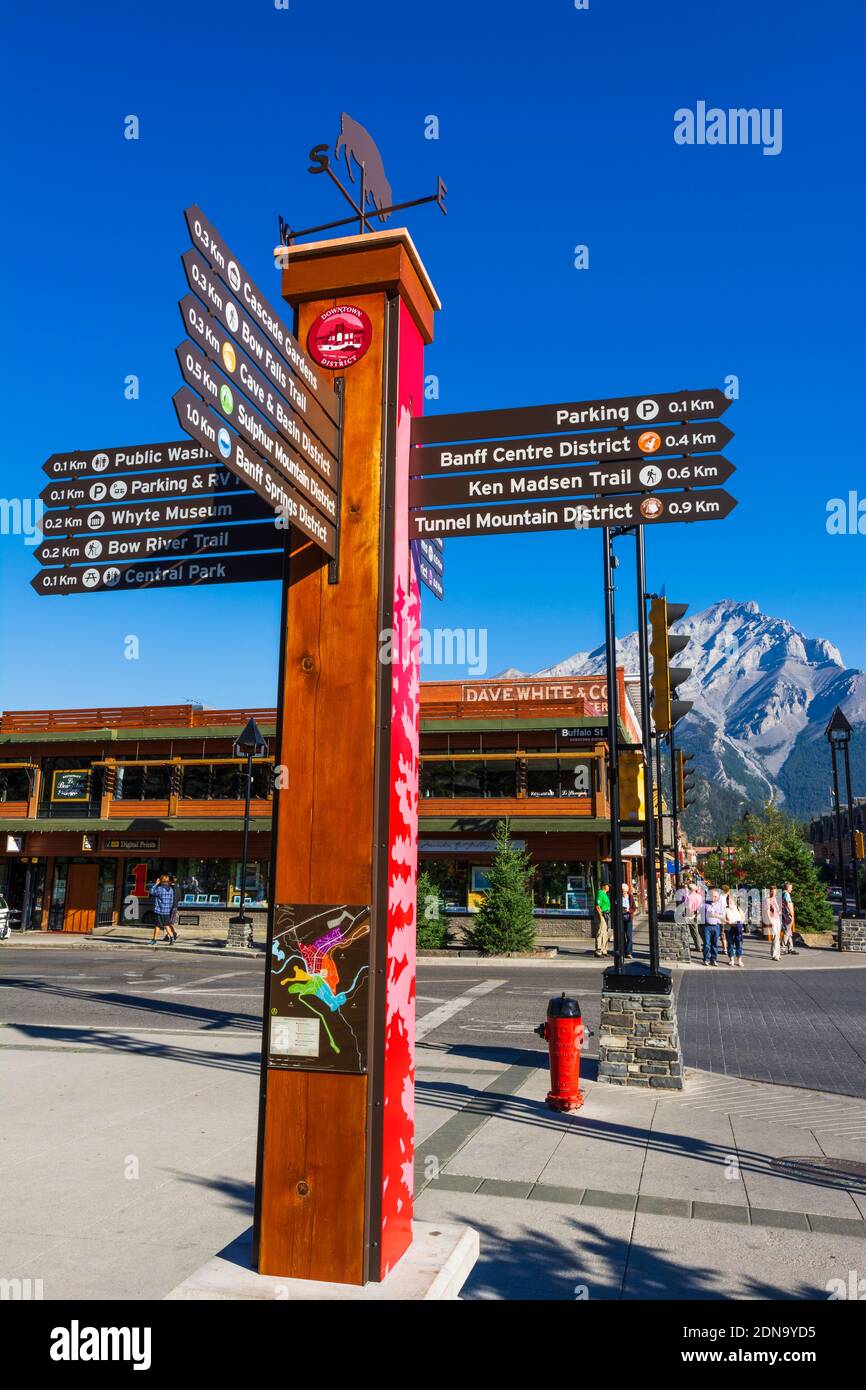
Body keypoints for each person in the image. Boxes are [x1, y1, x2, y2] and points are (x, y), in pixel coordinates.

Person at [150, 873, 177, 945]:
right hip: (167, 911)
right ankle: (171, 938)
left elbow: (151, 892)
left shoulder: (159, 889)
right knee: (166, 925)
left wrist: (156, 884)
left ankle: (154, 941)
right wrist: (168, 908)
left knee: (157, 925)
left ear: (161, 881)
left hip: (159, 911)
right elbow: (171, 901)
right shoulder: (171, 890)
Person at [703, 888, 724, 966]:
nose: (714, 898)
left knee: (714, 944)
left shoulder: (720, 905)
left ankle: (714, 959)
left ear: (717, 897)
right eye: (712, 896)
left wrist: (715, 915)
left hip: (716, 926)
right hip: (706, 926)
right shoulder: (705, 904)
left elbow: (723, 915)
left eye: (715, 896)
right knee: (707, 944)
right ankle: (706, 959)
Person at [725, 889, 745, 967]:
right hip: (729, 928)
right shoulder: (725, 909)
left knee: (739, 944)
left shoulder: (738, 908)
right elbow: (721, 919)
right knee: (730, 944)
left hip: (738, 929)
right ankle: (731, 960)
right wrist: (727, 921)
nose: (729, 902)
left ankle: (739, 960)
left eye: (730, 900)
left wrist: (739, 922)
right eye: (727, 900)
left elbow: (743, 918)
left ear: (734, 901)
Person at [686, 879, 704, 954]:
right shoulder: (699, 896)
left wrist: (688, 914)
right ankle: (706, 944)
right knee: (701, 931)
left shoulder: (689, 897)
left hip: (692, 915)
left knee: (694, 931)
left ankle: (698, 947)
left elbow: (689, 908)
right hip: (699, 914)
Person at [765, 885, 782, 961]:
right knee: (775, 936)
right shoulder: (768, 900)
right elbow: (767, 911)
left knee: (778, 937)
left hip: (778, 919)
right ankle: (775, 955)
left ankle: (777, 953)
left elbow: (778, 910)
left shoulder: (776, 899)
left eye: (775, 891)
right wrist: (770, 920)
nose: (774, 893)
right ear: (770, 891)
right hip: (773, 920)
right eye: (772, 891)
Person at [781, 882, 799, 955]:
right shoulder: (786, 894)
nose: (792, 889)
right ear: (787, 888)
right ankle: (782, 948)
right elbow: (788, 904)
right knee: (787, 932)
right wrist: (792, 915)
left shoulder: (782, 893)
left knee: (789, 932)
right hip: (788, 916)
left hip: (784, 915)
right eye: (791, 888)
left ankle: (791, 948)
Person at [594, 882, 611, 958]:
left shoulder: (605, 894)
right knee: (601, 931)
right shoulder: (600, 893)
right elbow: (598, 906)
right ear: (604, 886)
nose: (609, 887)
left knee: (605, 932)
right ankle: (598, 950)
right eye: (608, 886)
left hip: (606, 915)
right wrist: (600, 916)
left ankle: (604, 950)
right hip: (602, 915)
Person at [621, 882, 635, 958]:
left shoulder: (630, 897)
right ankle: (623, 951)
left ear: (627, 891)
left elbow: (634, 908)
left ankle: (629, 952)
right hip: (621, 918)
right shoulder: (619, 897)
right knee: (622, 935)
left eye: (624, 891)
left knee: (629, 935)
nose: (623, 892)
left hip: (628, 917)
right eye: (622, 891)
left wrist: (629, 910)